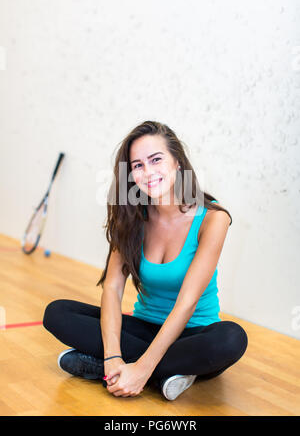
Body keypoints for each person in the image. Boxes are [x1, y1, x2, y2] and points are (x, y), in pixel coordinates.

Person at [43, 121, 248, 401]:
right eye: (137, 165)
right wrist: (114, 355)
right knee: (57, 312)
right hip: (143, 329)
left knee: (231, 339)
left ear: (177, 162)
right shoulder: (131, 219)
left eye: (156, 160)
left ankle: (104, 368)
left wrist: (142, 367)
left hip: (193, 334)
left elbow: (187, 302)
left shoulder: (213, 219)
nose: (147, 172)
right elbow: (113, 289)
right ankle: (164, 374)